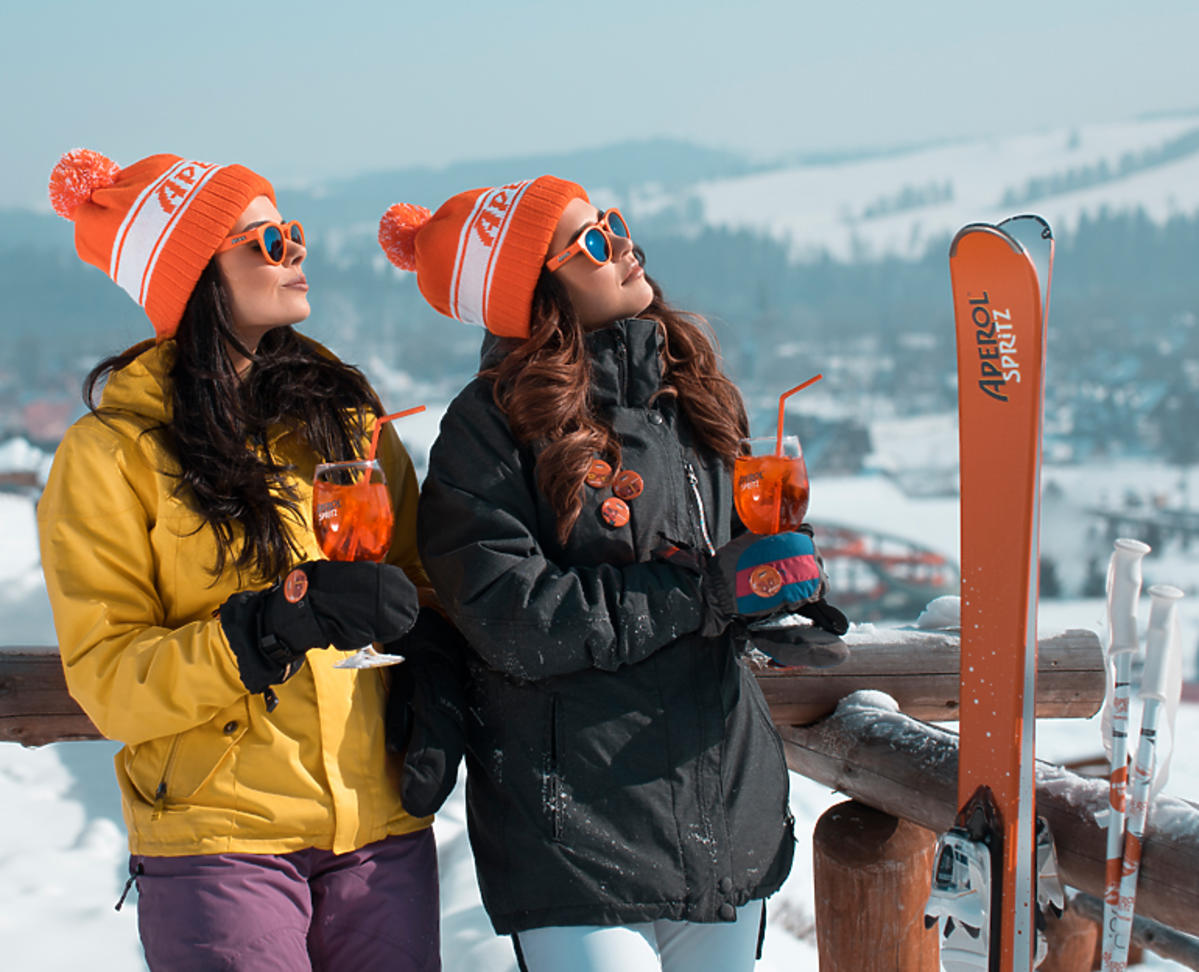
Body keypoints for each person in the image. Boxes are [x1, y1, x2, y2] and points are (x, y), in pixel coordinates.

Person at [377, 177, 849, 972]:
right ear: (536, 290)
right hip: (572, 827)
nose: (623, 244)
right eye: (591, 241)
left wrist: (775, 594)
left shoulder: (692, 395)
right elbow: (513, 619)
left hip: (718, 803)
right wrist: (699, 593)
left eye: (614, 223)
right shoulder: (486, 429)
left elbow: (729, 564)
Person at [37, 148, 440, 971]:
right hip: (217, 837)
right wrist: (266, 627)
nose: (293, 251)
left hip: (383, 832)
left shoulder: (349, 419)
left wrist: (433, 676)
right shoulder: (113, 453)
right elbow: (110, 676)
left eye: (292, 233)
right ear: (190, 274)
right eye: (265, 240)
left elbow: (416, 581)